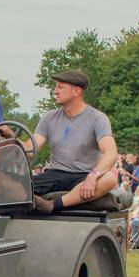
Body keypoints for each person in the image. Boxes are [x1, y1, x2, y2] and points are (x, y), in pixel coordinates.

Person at [25, 70, 120, 214]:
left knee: (110, 179)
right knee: (17, 187)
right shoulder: (49, 117)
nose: (55, 91)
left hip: (84, 173)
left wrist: (93, 176)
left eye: (60, 87)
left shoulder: (98, 118)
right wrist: (10, 140)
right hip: (55, 173)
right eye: (55, 87)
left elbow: (111, 153)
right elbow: (30, 149)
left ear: (76, 91)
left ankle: (53, 205)